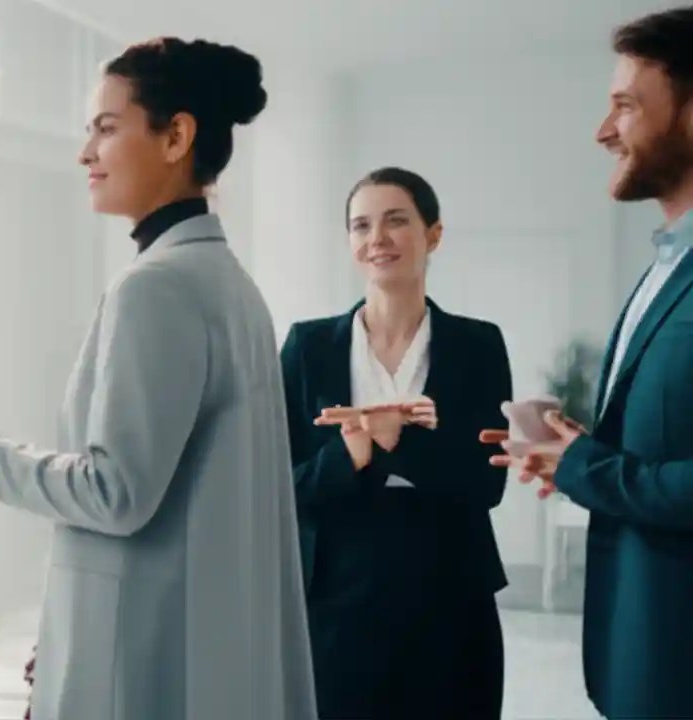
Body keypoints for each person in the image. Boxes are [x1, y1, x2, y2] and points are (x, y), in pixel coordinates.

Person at [0, 37, 316, 720]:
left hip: (148, 676)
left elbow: (114, 492)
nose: (85, 152)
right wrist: (69, 639)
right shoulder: (233, 286)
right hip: (202, 661)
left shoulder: (157, 289)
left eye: (106, 128)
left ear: (176, 136)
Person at [483, 7, 693, 718]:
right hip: (644, 659)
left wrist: (587, 468)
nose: (603, 132)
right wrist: (576, 452)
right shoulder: (664, 267)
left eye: (626, 107)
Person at [282, 167, 511, 719]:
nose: (376, 238)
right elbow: (280, 489)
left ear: (433, 234)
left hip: (453, 602)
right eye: (361, 225)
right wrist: (351, 453)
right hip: (336, 605)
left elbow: (488, 480)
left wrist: (389, 441)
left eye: (396, 221)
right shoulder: (308, 346)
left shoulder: (477, 345)